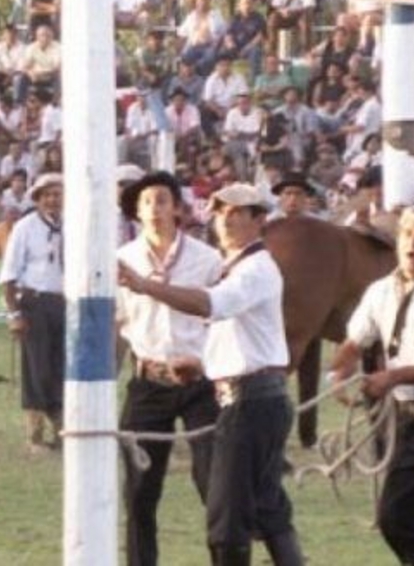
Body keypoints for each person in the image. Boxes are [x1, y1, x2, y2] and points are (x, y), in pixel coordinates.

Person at [118, 183, 303, 565]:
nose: (228, 219)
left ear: (259, 220)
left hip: (249, 401)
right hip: (243, 393)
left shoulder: (252, 270)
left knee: (226, 518)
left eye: (238, 213)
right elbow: (237, 338)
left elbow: (210, 305)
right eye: (221, 212)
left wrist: (145, 285)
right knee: (266, 506)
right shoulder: (234, 267)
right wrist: (203, 365)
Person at [329, 206, 414, 566]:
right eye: (406, 234)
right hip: (409, 422)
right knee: (395, 519)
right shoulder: (380, 292)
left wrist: (395, 376)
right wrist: (339, 371)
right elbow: (355, 341)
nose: (412, 243)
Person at [116, 172, 223, 566]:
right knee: (140, 491)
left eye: (162, 200)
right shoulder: (122, 261)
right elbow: (117, 325)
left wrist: (204, 363)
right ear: (136, 213)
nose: (154, 209)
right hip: (149, 380)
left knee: (214, 486)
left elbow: (222, 321)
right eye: (146, 203)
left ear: (178, 208)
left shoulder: (207, 260)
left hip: (200, 381)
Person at [0, 172, 66, 455]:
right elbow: (9, 274)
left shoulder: (71, 226)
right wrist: (14, 314)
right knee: (37, 368)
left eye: (57, 194)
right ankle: (35, 436)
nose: (52, 199)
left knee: (61, 366)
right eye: (47, 194)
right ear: (38, 198)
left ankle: (62, 430)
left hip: (62, 303)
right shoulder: (25, 227)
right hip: (34, 302)